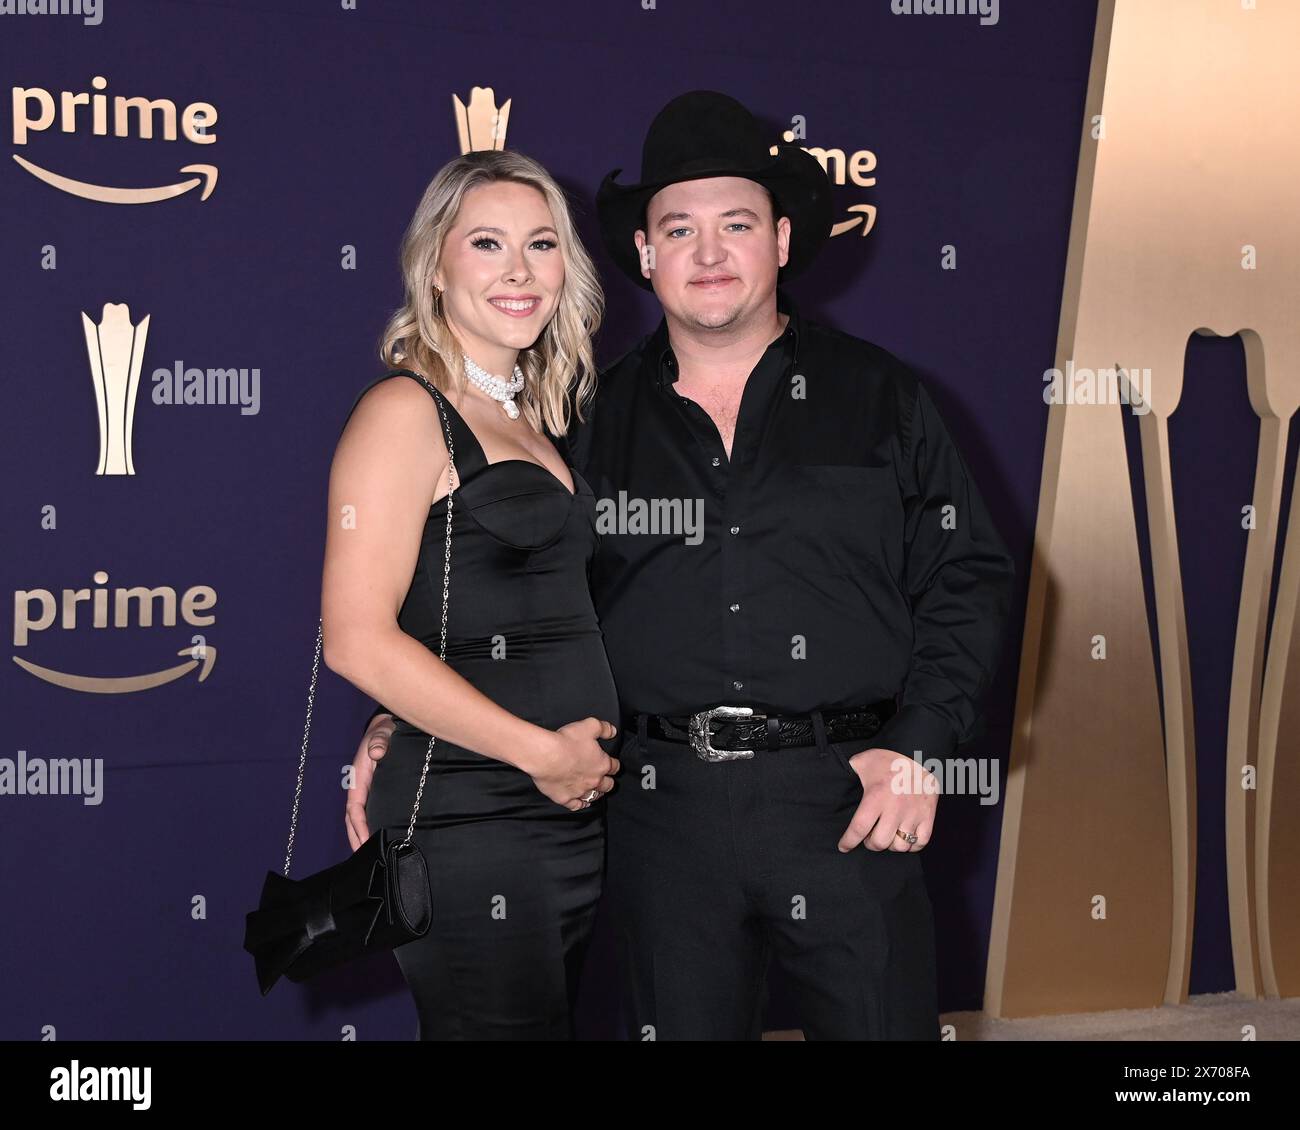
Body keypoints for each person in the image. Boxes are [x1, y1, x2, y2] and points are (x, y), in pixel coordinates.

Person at [352, 90, 1016, 1040]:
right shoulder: (580, 421)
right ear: (645, 255)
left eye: (736, 224)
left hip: (846, 797)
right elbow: (514, 595)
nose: (708, 254)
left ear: (782, 241)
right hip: (656, 813)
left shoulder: (884, 398)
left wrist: (920, 748)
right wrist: (397, 713)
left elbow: (968, 579)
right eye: (679, 229)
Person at [323, 148, 621, 1040]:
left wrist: (394, 721)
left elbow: (484, 608)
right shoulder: (405, 413)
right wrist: (540, 752)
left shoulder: (536, 419)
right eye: (487, 244)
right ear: (436, 267)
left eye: (542, 244)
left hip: (556, 813)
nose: (520, 271)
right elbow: (355, 639)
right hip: (472, 816)